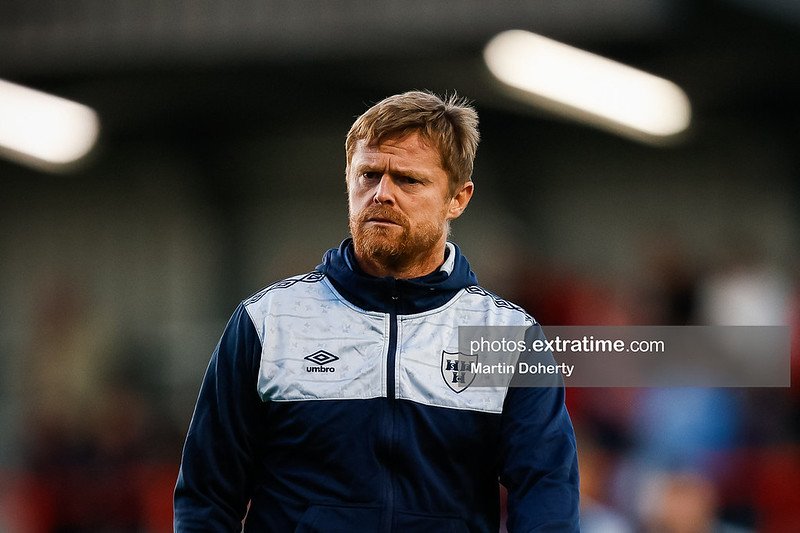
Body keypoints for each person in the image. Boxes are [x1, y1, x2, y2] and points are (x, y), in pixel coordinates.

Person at [174, 90, 579, 531]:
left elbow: (546, 496)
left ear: (457, 199)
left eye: (408, 179)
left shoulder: (506, 336)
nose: (381, 194)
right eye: (368, 175)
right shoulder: (269, 323)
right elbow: (207, 494)